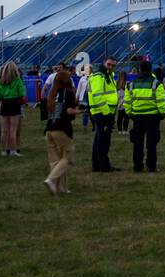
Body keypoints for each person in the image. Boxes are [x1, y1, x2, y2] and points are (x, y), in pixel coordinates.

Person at [43, 62, 81, 195]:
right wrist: (81, 111)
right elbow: (69, 111)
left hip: (49, 129)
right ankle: (51, 180)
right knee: (68, 158)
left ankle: (61, 188)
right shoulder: (68, 93)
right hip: (62, 128)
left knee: (55, 160)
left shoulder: (52, 93)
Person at [125, 60, 165, 172]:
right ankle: (151, 166)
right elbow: (161, 101)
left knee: (137, 143)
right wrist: (162, 113)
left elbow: (127, 101)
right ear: (150, 70)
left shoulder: (131, 84)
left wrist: (130, 113)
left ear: (139, 69)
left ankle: (138, 166)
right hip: (153, 117)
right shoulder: (156, 83)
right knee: (152, 143)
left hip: (137, 117)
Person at [87, 57, 120, 172]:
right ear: (104, 63)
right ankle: (104, 166)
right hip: (102, 113)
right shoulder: (99, 76)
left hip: (104, 112)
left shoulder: (107, 76)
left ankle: (97, 165)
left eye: (113, 65)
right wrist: (107, 113)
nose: (110, 67)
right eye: (109, 64)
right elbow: (97, 95)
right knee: (103, 141)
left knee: (99, 139)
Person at [0, 61, 27, 157]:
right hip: (14, 103)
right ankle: (13, 150)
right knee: (13, 130)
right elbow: (22, 95)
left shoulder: (1, 82)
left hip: (5, 104)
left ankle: (4, 151)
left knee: (4, 130)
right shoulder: (18, 81)